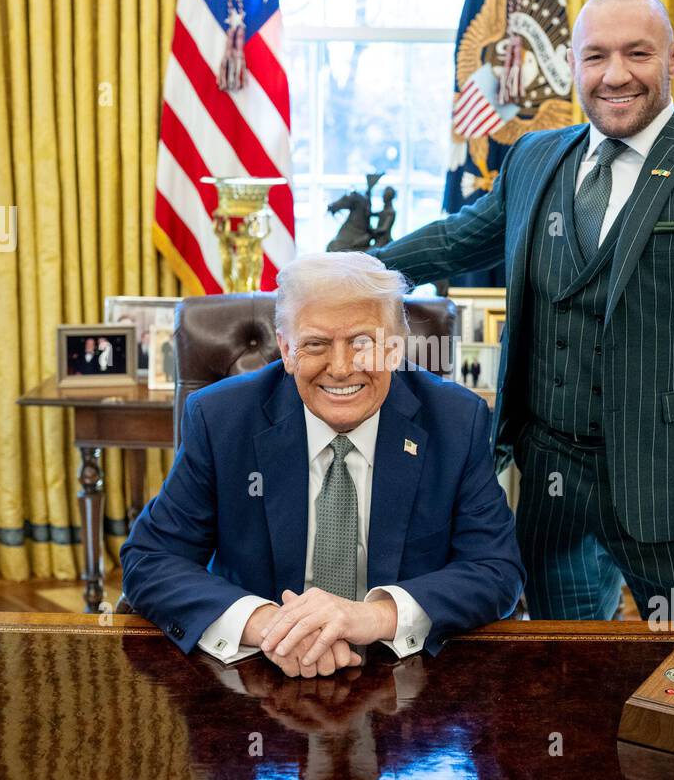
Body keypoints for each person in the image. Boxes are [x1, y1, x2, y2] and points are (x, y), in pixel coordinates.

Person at [370, 0, 674, 620]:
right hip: (550, 486)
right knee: (565, 677)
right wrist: (350, 272)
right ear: (574, 65)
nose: (615, 75)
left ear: (672, 58)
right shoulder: (533, 157)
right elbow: (458, 237)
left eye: (637, 54)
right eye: (595, 57)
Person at [121, 251, 525, 677]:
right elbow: (150, 558)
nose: (341, 367)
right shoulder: (221, 418)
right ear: (286, 349)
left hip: (404, 680)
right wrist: (270, 626)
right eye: (315, 344)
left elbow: (495, 569)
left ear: (393, 347)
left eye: (363, 342)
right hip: (258, 672)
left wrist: (373, 616)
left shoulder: (455, 421)